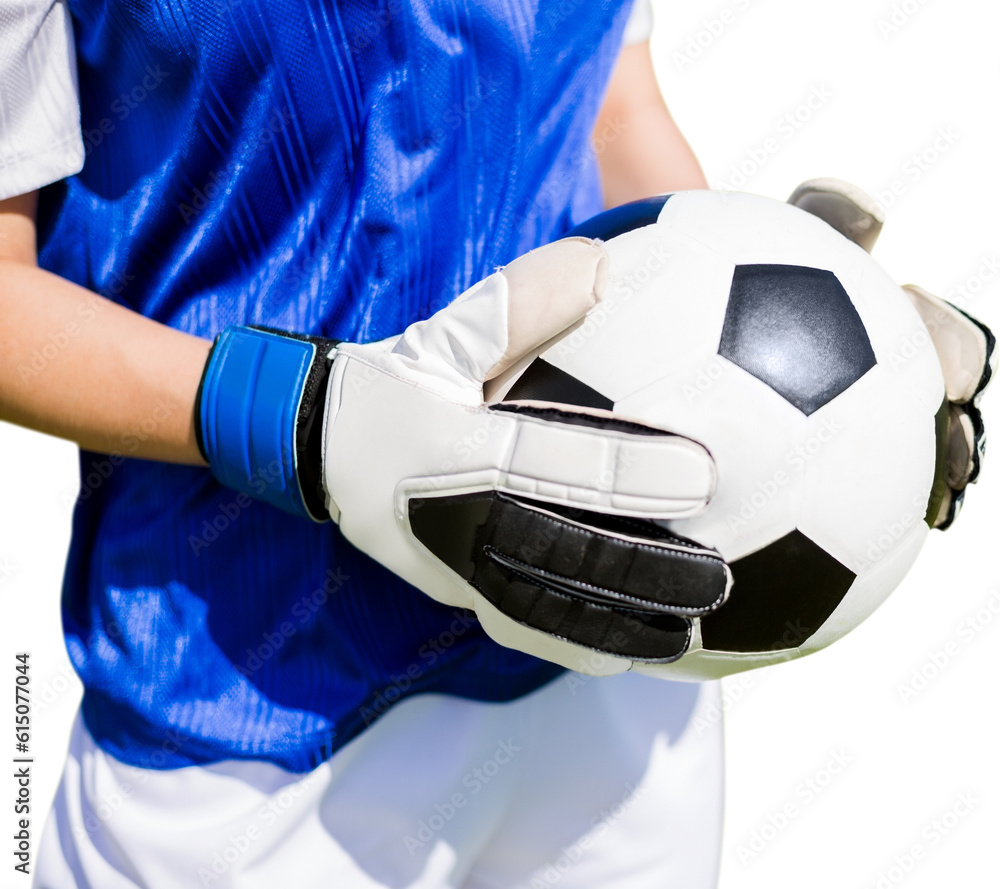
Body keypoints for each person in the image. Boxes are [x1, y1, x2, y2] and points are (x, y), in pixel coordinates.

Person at [0, 1, 729, 887]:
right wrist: (305, 420)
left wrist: (782, 342)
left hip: (606, 649)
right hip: (242, 709)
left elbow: (615, 104)